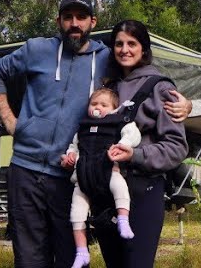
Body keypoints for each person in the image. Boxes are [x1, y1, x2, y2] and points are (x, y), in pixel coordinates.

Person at [0, 0, 191, 268]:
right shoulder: (37, 49)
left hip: (71, 175)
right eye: (67, 17)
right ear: (58, 20)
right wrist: (10, 120)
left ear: (92, 21)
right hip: (27, 167)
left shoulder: (106, 59)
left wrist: (188, 104)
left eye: (81, 17)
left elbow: (150, 79)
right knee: (29, 256)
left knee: (72, 257)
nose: (74, 23)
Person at [91, 20, 188, 268]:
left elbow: (176, 146)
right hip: (105, 190)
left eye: (132, 44)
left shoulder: (161, 88)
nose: (125, 49)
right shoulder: (106, 90)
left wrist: (135, 155)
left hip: (143, 189)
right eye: (119, 44)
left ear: (144, 49)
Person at [65, 88, 141, 268]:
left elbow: (133, 134)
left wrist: (123, 145)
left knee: (120, 187)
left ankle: (123, 220)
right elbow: (73, 147)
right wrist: (69, 155)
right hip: (83, 178)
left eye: (103, 105)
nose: (97, 107)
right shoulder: (82, 128)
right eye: (94, 104)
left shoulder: (118, 123)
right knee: (76, 212)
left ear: (115, 109)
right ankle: (82, 251)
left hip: (108, 172)